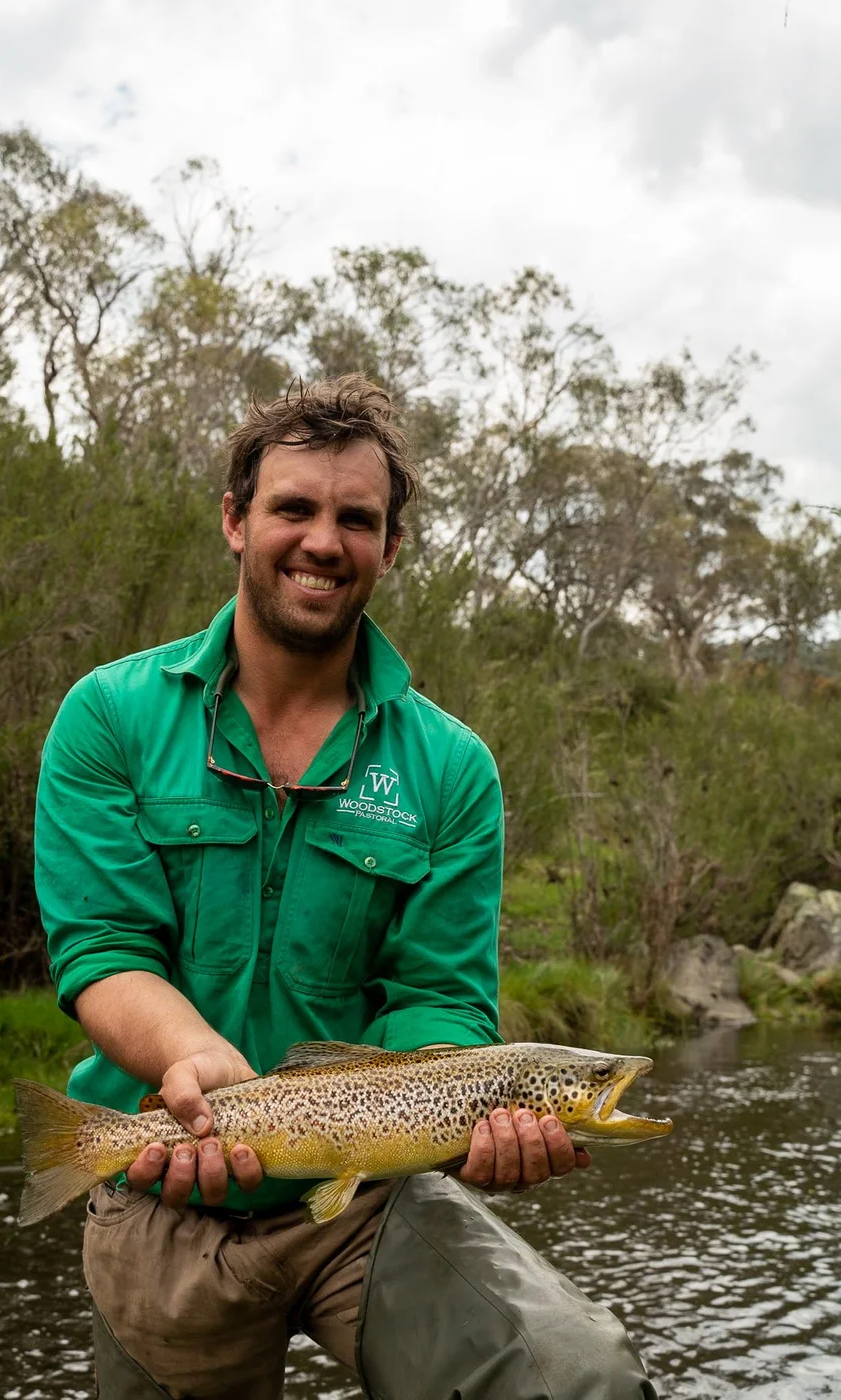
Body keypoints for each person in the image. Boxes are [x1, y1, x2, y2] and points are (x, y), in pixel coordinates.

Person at [34, 374, 657, 1399]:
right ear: (235, 521)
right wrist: (193, 1063)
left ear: (390, 546)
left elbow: (443, 996)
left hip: (370, 1193)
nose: (323, 540)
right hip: (160, 1170)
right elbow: (103, 949)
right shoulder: (108, 716)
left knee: (577, 1375)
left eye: (356, 519)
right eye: (294, 507)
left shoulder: (452, 766)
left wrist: (474, 1118)